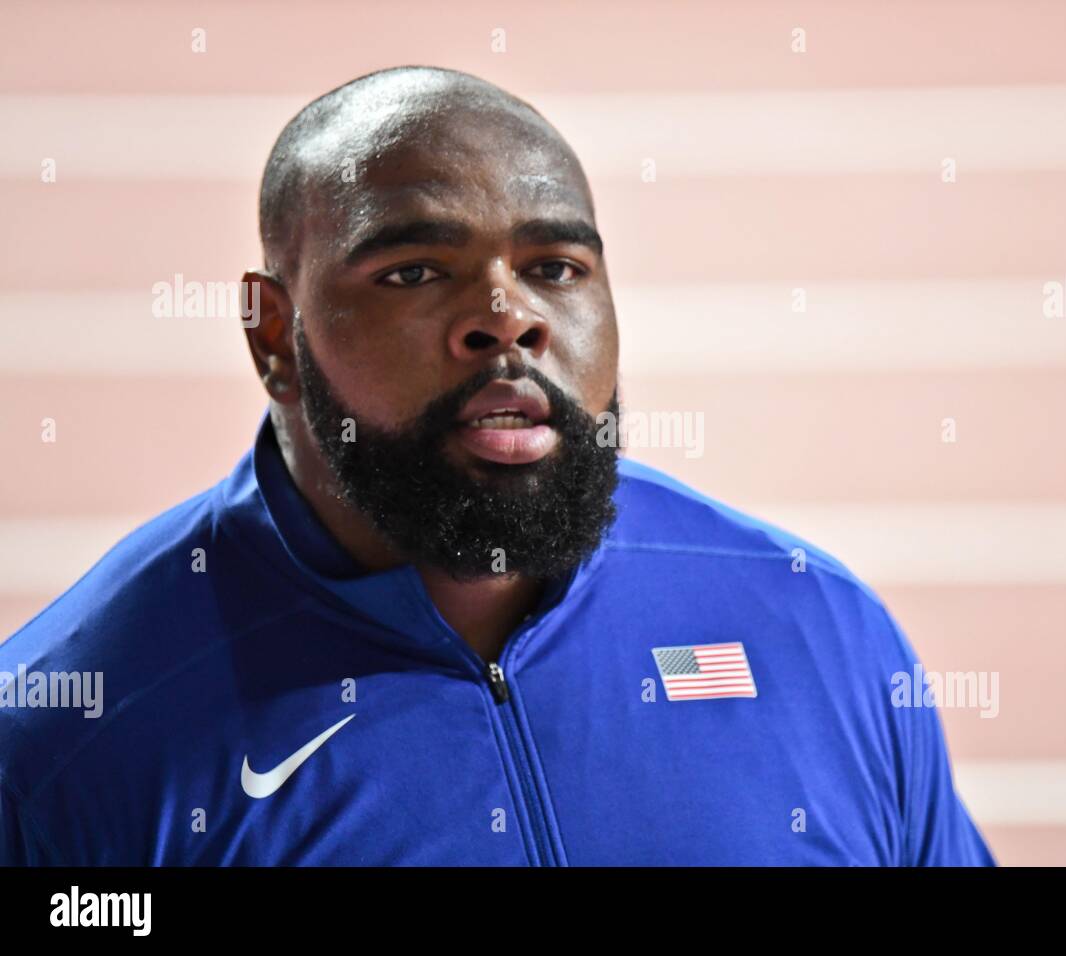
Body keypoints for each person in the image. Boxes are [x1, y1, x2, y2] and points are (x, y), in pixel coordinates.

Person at [0, 66, 995, 866]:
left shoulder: (812, 624)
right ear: (273, 337)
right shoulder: (66, 730)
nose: (507, 316)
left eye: (555, 267)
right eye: (413, 271)